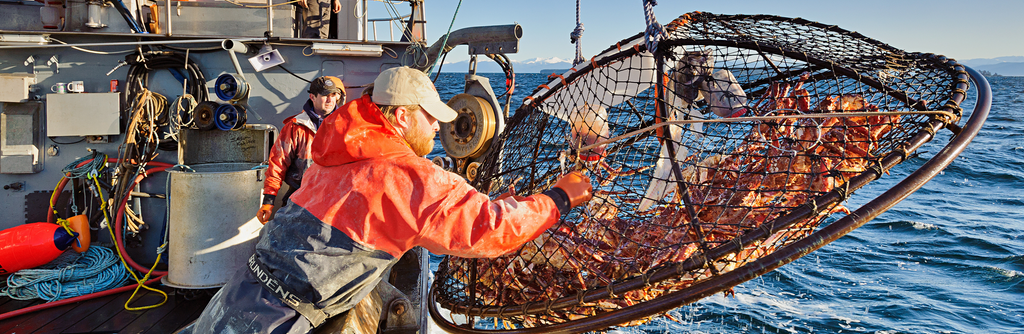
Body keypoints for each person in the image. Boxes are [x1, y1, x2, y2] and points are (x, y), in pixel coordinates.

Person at [183, 66, 593, 333]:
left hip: (239, 291)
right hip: (281, 320)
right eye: (430, 116)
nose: (437, 127)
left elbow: (385, 212)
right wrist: (559, 197)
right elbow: (490, 230)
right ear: (401, 117)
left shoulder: (338, 148)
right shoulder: (411, 176)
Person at [256, 76, 346, 224]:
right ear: (312, 97)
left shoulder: (346, 125)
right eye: (324, 95)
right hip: (300, 196)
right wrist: (269, 200)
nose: (330, 100)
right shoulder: (295, 127)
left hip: (335, 198)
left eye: (333, 95)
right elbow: (277, 164)